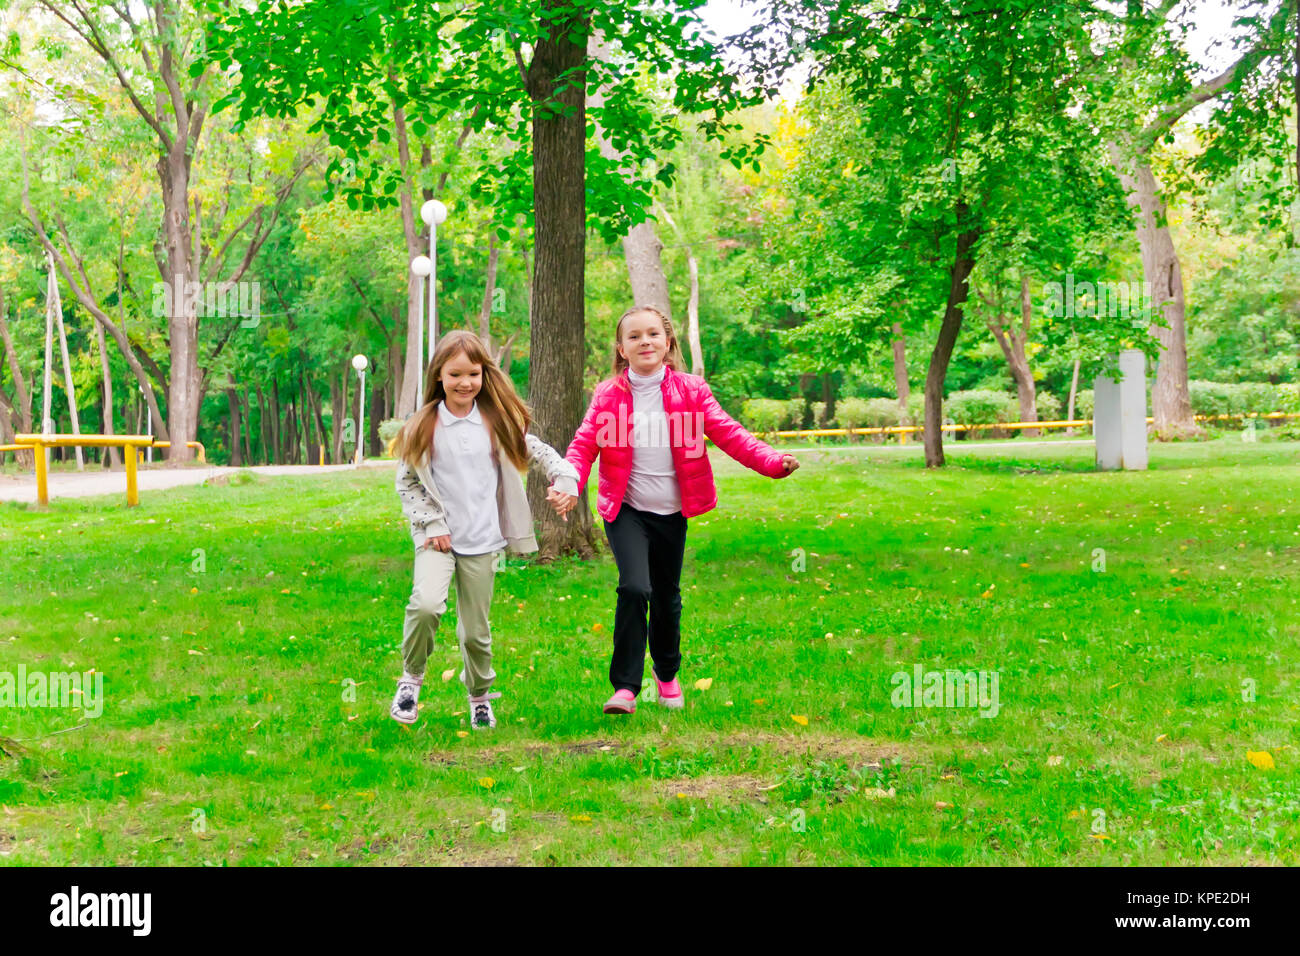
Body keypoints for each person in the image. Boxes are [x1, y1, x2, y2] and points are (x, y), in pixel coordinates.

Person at [557, 306, 799, 715]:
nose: (644, 341)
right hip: (625, 508)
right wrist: (567, 484)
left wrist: (773, 464)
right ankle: (625, 689)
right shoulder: (608, 395)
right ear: (621, 348)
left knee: (666, 596)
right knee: (635, 588)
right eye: (634, 336)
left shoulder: (691, 390)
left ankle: (666, 674)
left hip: (671, 512)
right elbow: (584, 446)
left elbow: (731, 434)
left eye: (653, 334)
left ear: (668, 343)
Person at [390, 330, 578, 729]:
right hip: (435, 541)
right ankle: (410, 680)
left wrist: (564, 477)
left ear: (483, 375)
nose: (464, 383)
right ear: (439, 375)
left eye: (473, 374)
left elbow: (540, 452)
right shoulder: (422, 426)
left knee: (475, 633)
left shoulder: (496, 422)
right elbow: (406, 482)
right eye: (455, 374)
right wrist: (432, 523)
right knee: (425, 605)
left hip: (482, 542)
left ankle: (479, 697)